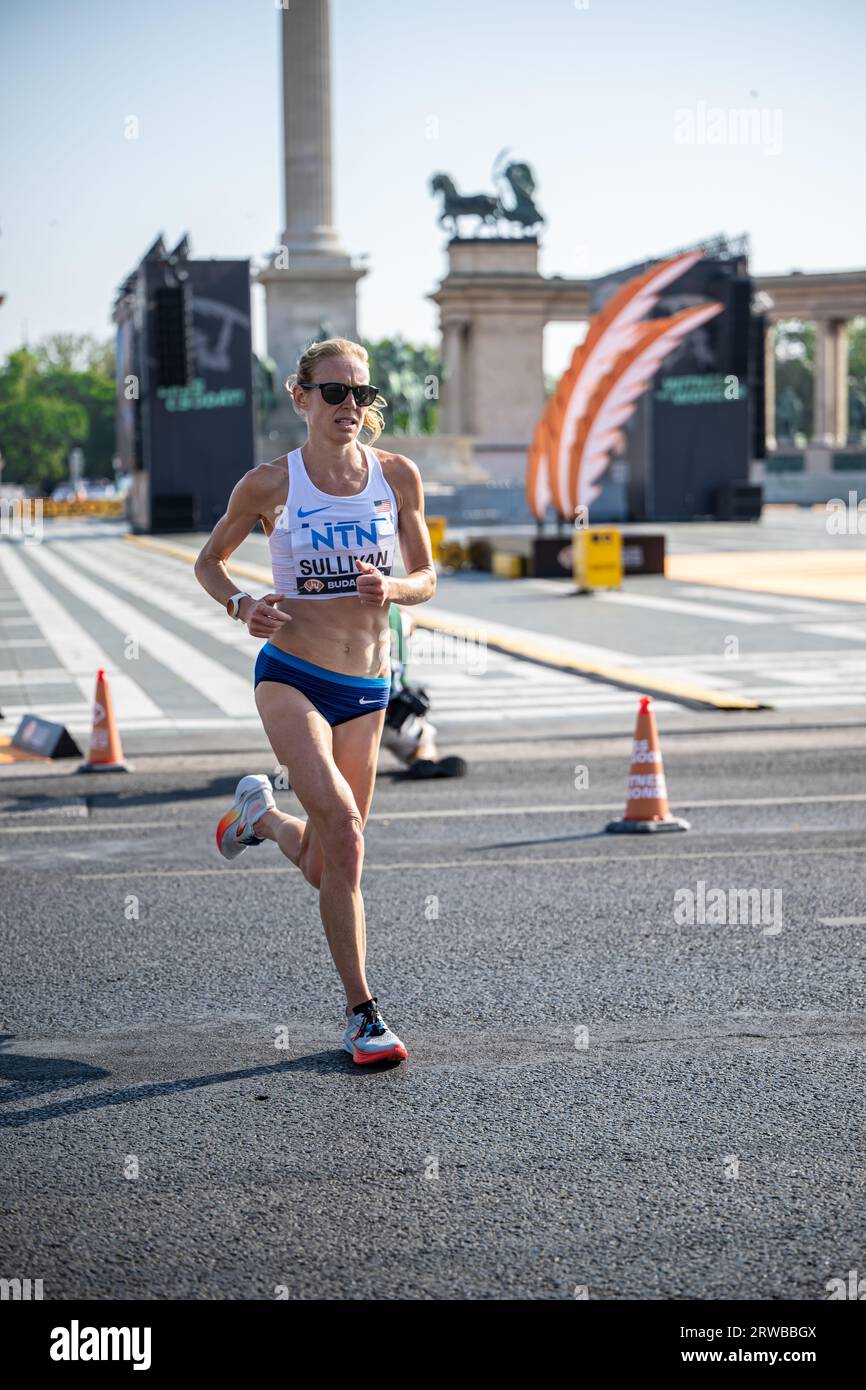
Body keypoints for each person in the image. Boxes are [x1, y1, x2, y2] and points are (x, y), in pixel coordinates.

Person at [193, 338, 436, 1065]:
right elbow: (209, 562)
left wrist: (392, 588)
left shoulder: (397, 478)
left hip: (367, 689)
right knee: (347, 831)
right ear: (301, 399)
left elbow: (426, 575)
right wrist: (242, 606)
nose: (350, 408)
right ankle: (363, 1014)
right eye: (334, 393)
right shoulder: (270, 484)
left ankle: (261, 818)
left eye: (361, 393)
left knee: (330, 861)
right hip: (292, 677)